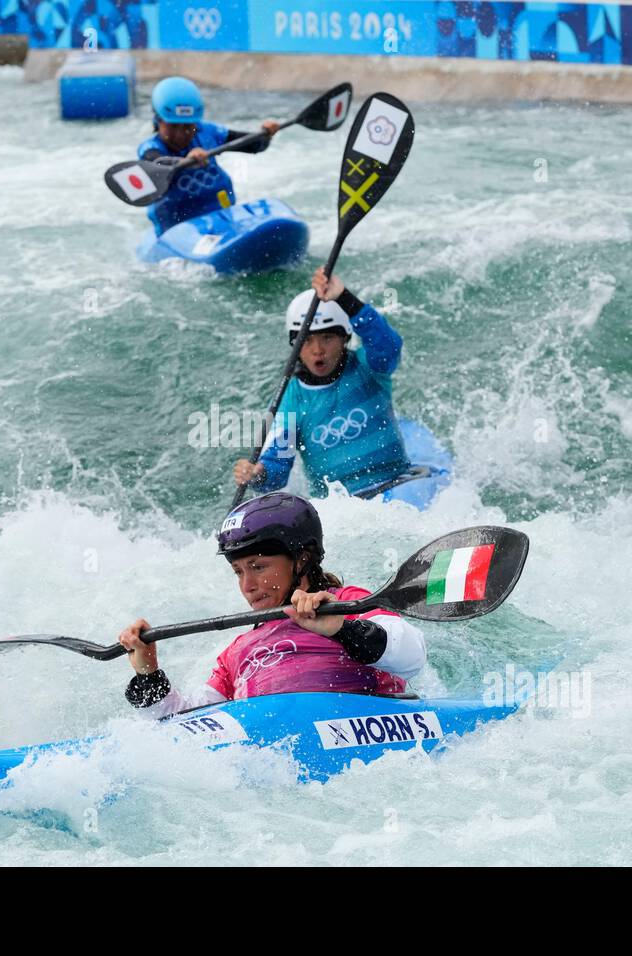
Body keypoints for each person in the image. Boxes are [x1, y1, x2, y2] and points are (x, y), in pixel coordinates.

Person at [118, 493, 427, 717]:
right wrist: (148, 674)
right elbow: (188, 720)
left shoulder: (347, 603)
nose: (247, 585)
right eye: (238, 571)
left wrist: (342, 630)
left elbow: (412, 656)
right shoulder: (240, 649)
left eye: (258, 566)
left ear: (302, 558)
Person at [232, 267, 416, 499]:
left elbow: (388, 345)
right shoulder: (288, 399)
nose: (317, 350)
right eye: (307, 340)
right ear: (296, 346)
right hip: (341, 507)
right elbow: (277, 470)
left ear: (344, 338)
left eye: (327, 338)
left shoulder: (367, 366)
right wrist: (259, 474)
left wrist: (344, 298)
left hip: (396, 483)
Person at [139, 76, 280, 236]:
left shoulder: (208, 131)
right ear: (158, 120)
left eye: (188, 127)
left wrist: (266, 134)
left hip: (220, 213)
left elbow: (254, 146)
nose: (180, 134)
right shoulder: (150, 148)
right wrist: (186, 162)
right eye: (173, 126)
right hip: (176, 226)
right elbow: (156, 163)